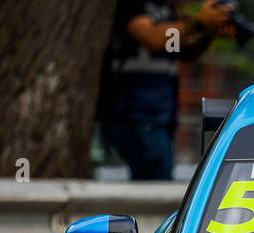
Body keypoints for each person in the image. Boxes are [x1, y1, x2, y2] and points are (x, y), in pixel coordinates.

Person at [99, 2, 236, 180]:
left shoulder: (165, 7)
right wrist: (197, 23)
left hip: (162, 113)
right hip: (134, 112)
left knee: (158, 175)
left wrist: (209, 32)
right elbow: (153, 38)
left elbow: (175, 48)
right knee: (154, 179)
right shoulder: (132, 5)